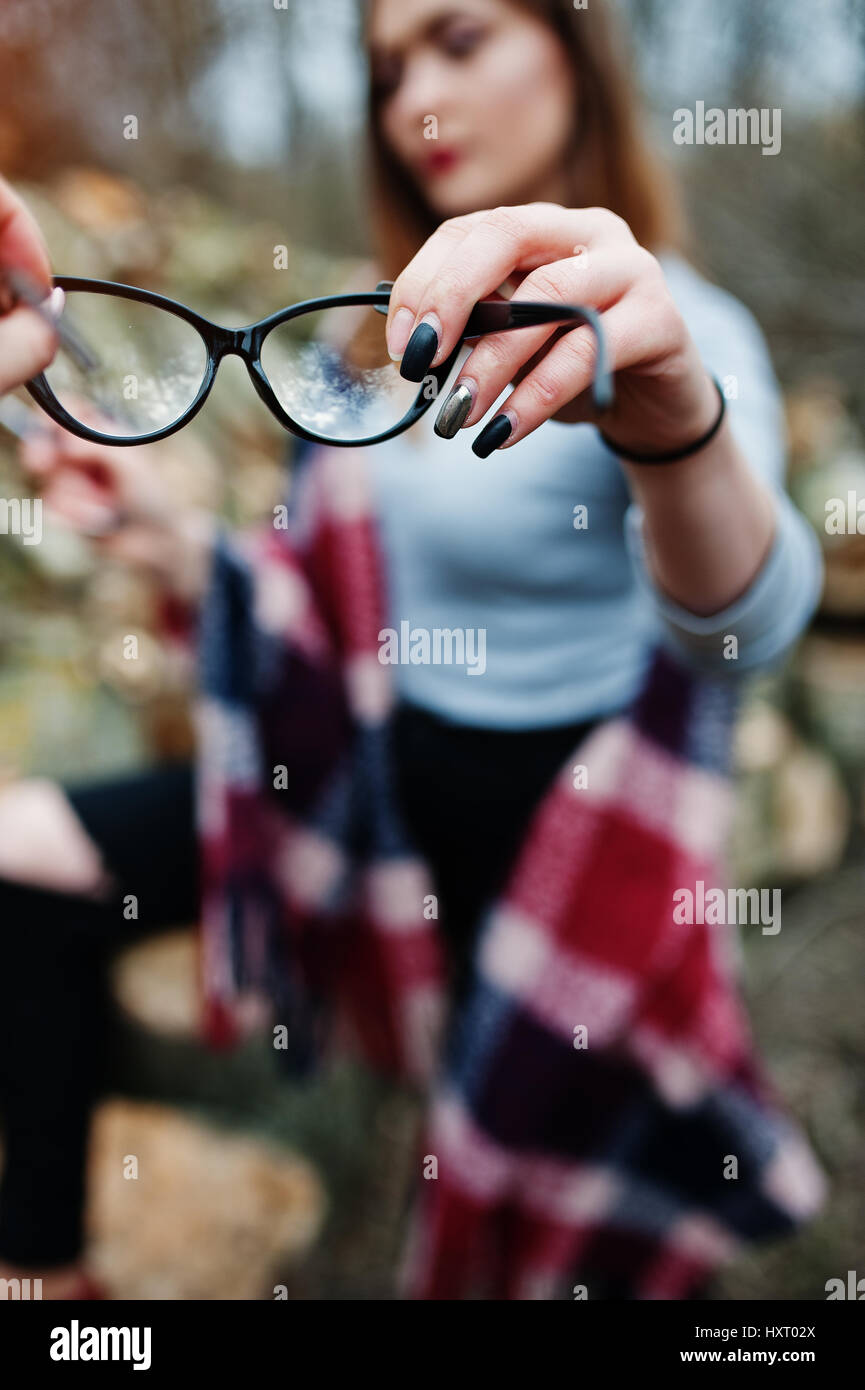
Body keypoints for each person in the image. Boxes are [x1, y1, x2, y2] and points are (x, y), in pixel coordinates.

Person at [0, 0, 825, 1301]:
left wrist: (669, 418)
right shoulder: (367, 336)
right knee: (21, 852)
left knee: (533, 1212)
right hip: (357, 784)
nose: (411, 105)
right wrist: (171, 539)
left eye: (456, 41)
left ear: (575, 55)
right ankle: (49, 1286)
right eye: (386, 70)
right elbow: (327, 609)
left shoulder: (676, 327)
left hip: (551, 832)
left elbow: (742, 628)